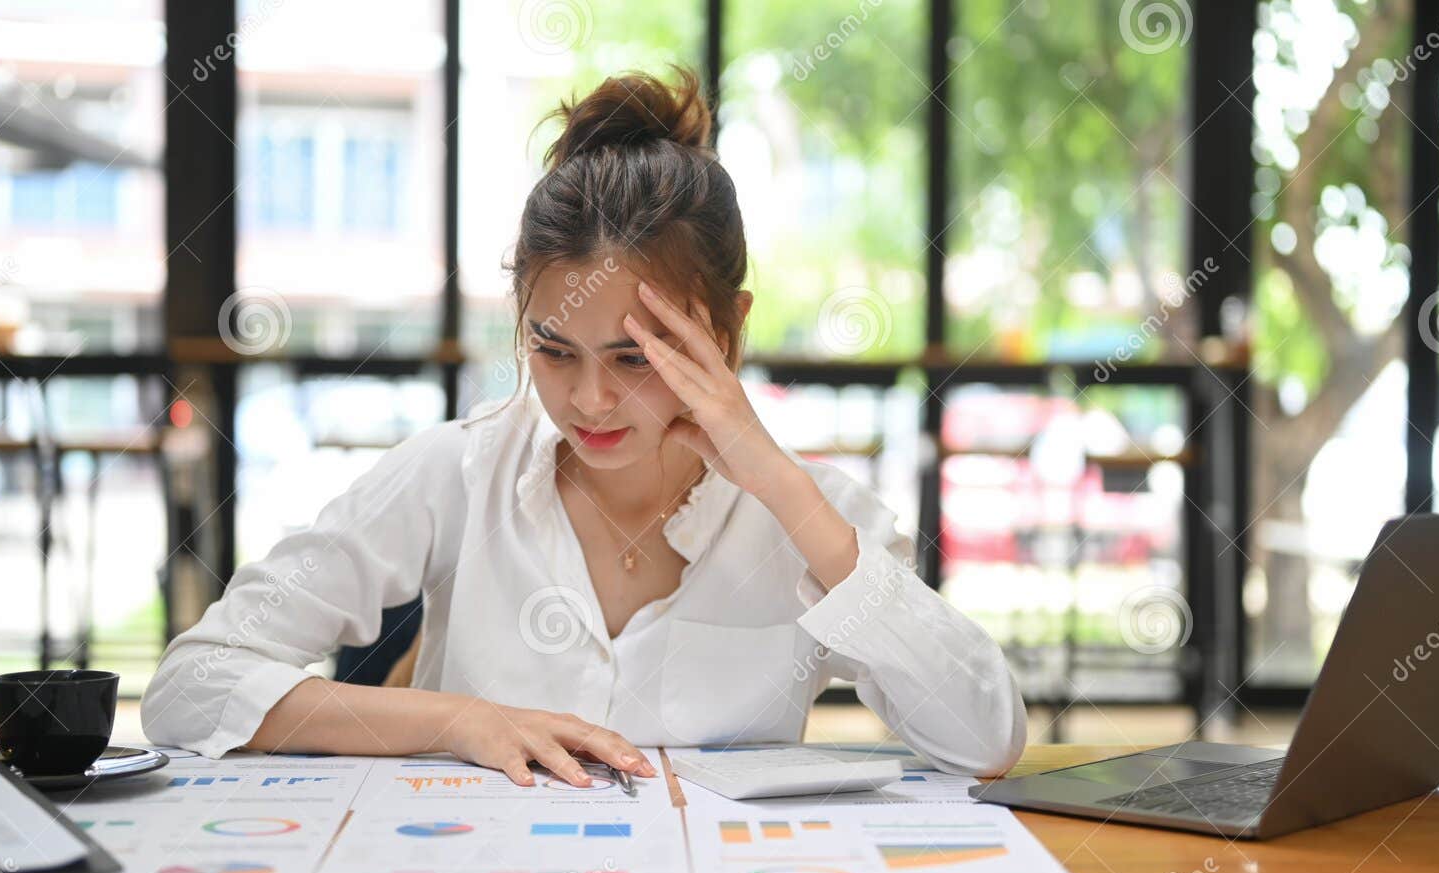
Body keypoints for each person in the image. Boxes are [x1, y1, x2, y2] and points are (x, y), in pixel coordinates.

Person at [141, 67, 1026, 788]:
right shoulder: (459, 472)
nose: (591, 401)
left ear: (729, 328)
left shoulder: (811, 514)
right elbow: (192, 684)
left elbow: (985, 739)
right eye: (554, 350)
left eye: (637, 358)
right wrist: (456, 719)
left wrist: (781, 486)